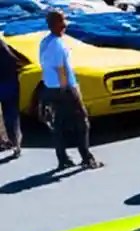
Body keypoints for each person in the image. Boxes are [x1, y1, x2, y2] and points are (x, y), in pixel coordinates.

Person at [39, 10, 102, 170]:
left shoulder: (45, 42)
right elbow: (61, 70)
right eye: (62, 21)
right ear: (54, 24)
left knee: (59, 123)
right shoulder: (58, 45)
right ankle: (86, 157)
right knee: (82, 122)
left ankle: (63, 158)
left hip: (50, 87)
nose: (65, 24)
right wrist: (72, 91)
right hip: (64, 88)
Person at [0, 35, 20, 158]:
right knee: (12, 116)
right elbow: (14, 61)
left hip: (6, 84)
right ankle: (16, 145)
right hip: (9, 85)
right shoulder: (3, 47)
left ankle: (3, 141)